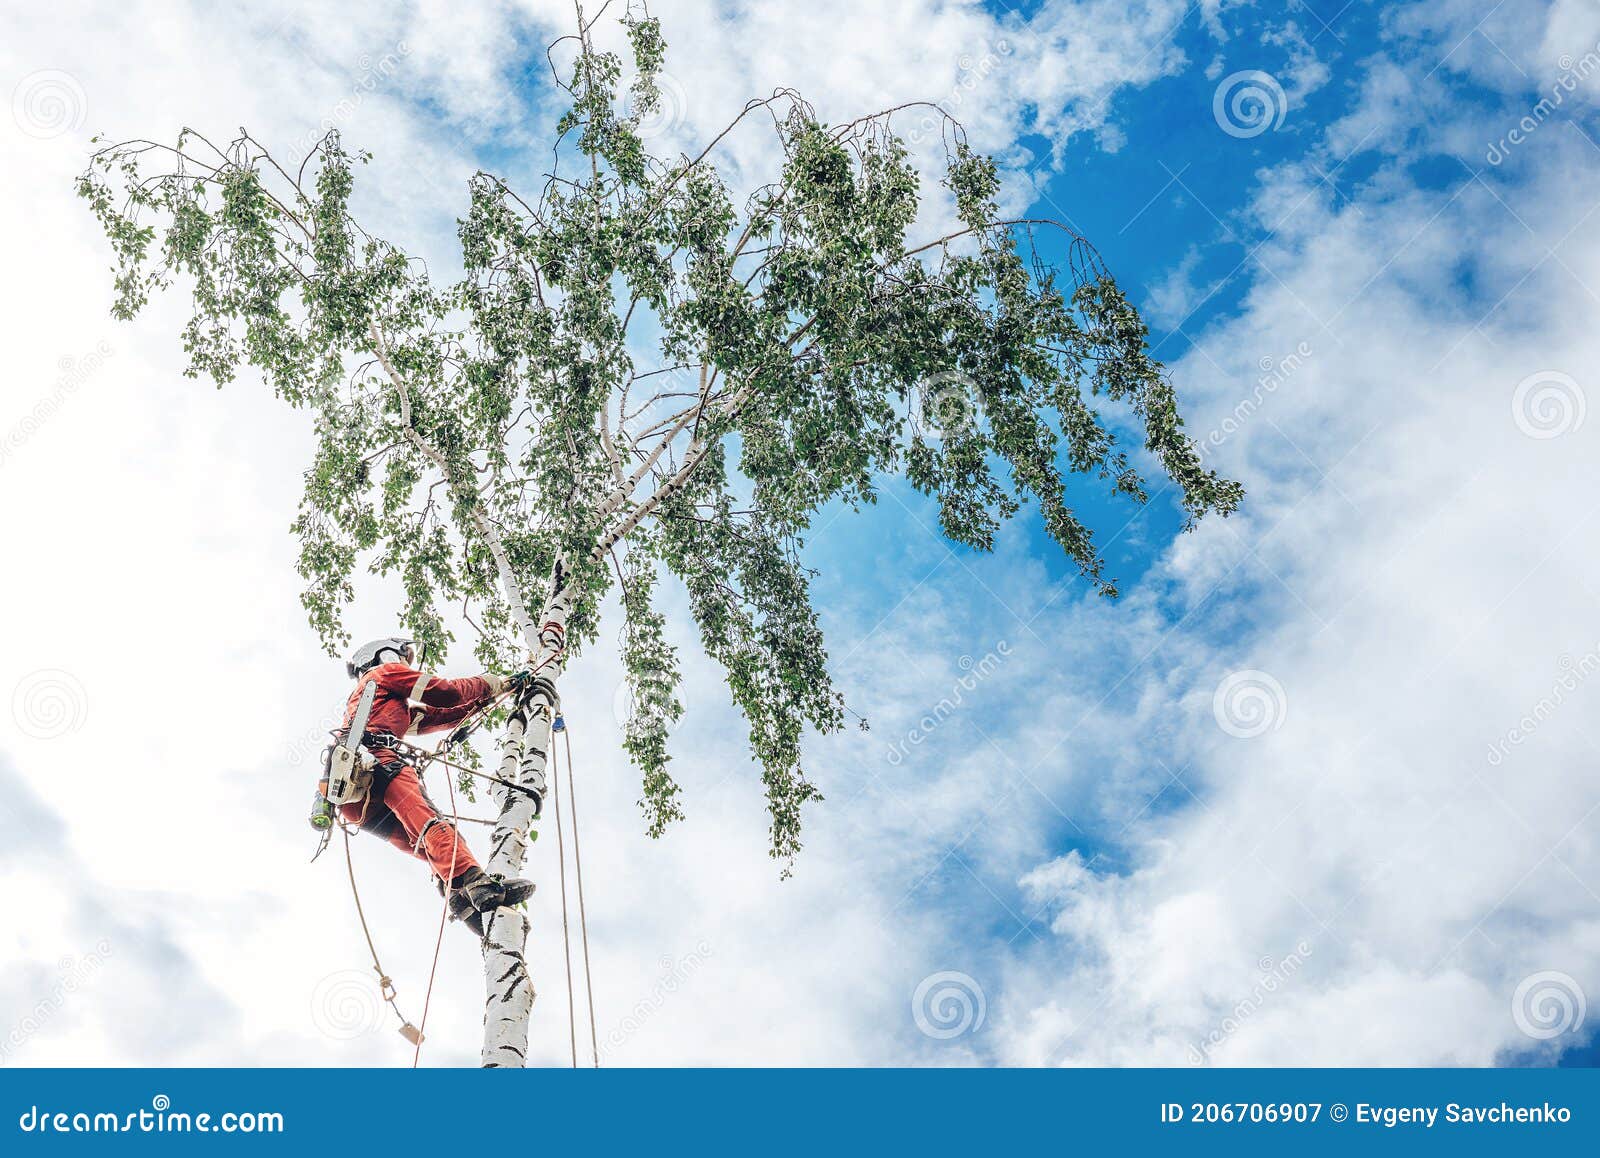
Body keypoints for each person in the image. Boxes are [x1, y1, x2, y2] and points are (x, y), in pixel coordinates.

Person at [328, 636, 534, 936]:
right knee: (431, 824)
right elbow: (446, 693)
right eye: (404, 657)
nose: (405, 663)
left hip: (352, 796)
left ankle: (462, 899)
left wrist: (491, 697)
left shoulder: (379, 701)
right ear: (385, 655)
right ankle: (477, 883)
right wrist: (490, 682)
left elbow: (444, 714)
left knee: (425, 845)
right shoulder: (384, 675)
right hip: (378, 763)